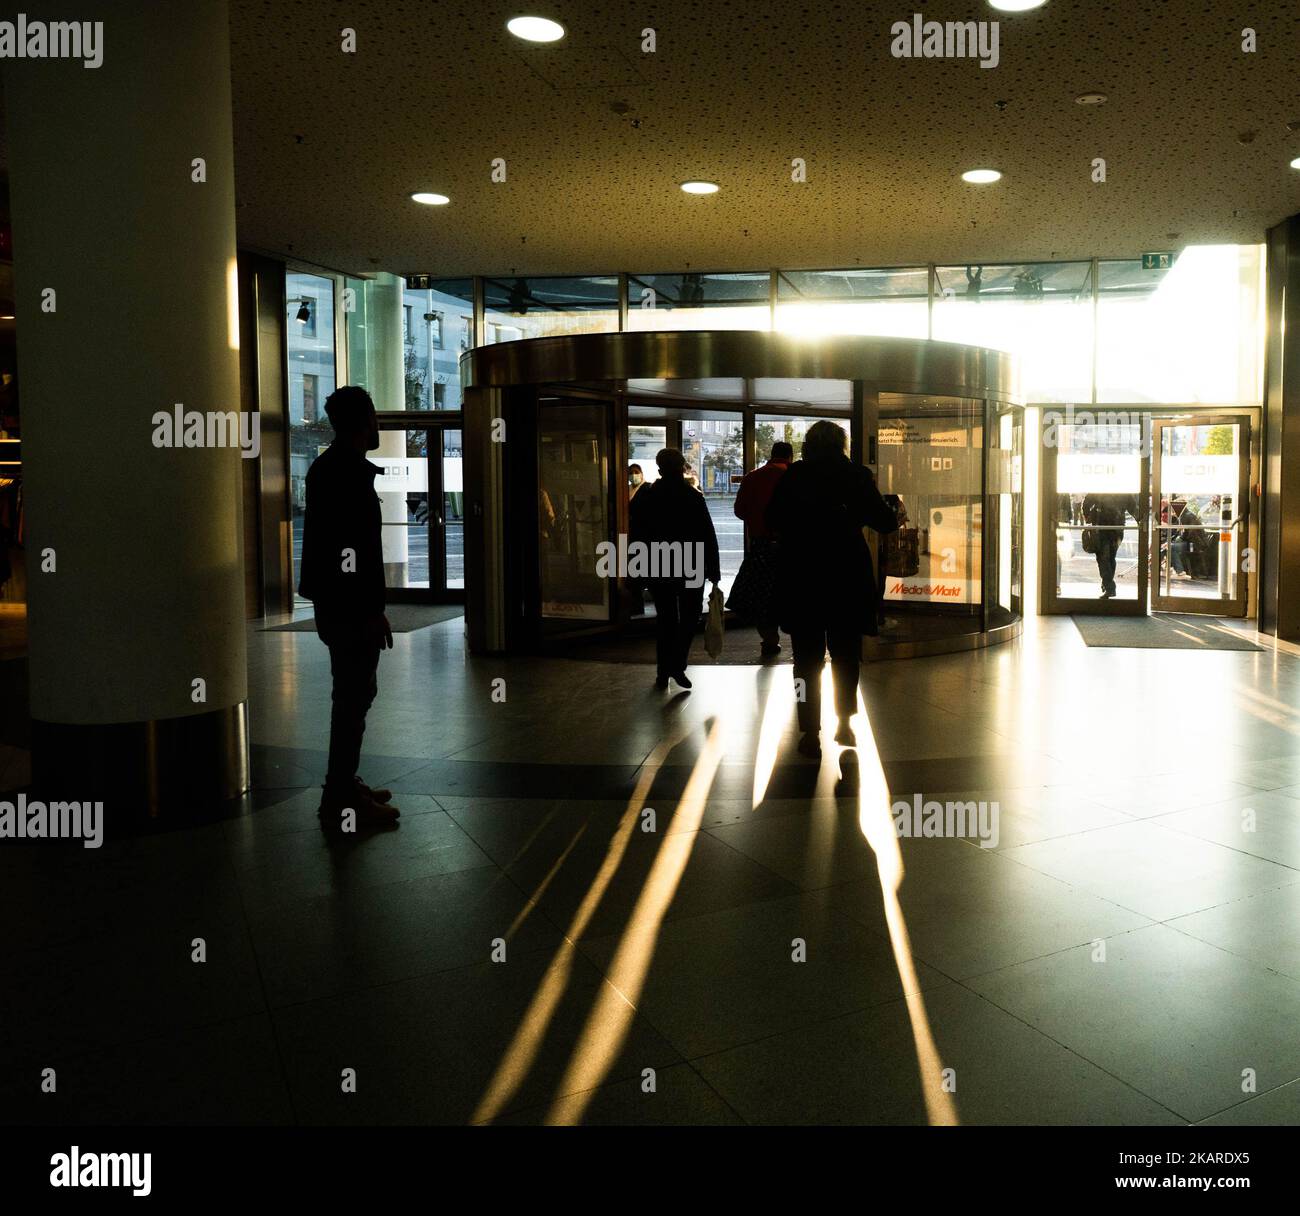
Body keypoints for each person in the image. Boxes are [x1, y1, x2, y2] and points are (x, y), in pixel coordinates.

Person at [298, 385, 401, 828]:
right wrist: (370, 609)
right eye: (375, 416)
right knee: (353, 698)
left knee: (353, 696)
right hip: (349, 609)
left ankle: (343, 784)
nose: (379, 424)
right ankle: (341, 799)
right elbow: (350, 553)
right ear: (365, 420)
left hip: (338, 606)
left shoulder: (331, 469)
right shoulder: (344, 473)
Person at [767, 421, 898, 758]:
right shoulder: (856, 475)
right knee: (845, 655)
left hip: (803, 574)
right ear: (842, 443)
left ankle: (809, 731)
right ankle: (845, 720)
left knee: (805, 661)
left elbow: (772, 519)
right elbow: (885, 522)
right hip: (846, 575)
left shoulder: (795, 475)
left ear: (809, 444)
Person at [629, 447, 720, 690]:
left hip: (659, 563)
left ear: (659, 469)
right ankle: (677, 664)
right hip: (691, 562)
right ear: (682, 467)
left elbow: (638, 536)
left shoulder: (646, 497)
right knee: (689, 617)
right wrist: (714, 568)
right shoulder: (693, 496)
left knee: (666, 619)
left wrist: (635, 568)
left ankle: (663, 671)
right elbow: (707, 534)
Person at [729, 441, 792, 656]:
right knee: (790, 592)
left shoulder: (753, 477)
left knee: (761, 596)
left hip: (761, 546)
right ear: (790, 456)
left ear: (772, 455)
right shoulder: (795, 477)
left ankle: (769, 640)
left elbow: (740, 510)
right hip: (791, 547)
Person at [1082, 490, 1138, 599]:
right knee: (1110, 557)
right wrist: (1140, 519)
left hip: (1102, 527)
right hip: (1116, 527)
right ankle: (1108, 585)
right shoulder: (1124, 491)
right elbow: (1133, 508)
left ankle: (1109, 586)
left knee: (1104, 558)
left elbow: (1086, 503)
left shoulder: (1101, 488)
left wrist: (1088, 517)